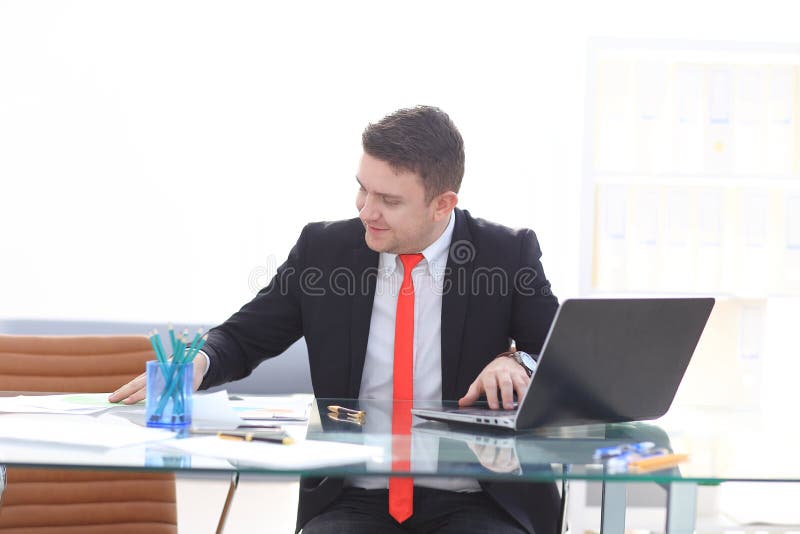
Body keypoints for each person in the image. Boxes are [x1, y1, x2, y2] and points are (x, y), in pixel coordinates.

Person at [110, 105, 560, 533]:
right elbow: (245, 335)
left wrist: (520, 363)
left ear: (442, 204)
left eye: (388, 200)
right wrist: (200, 363)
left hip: (477, 496)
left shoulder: (506, 254)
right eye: (362, 188)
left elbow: (564, 359)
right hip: (354, 495)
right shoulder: (324, 250)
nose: (366, 210)